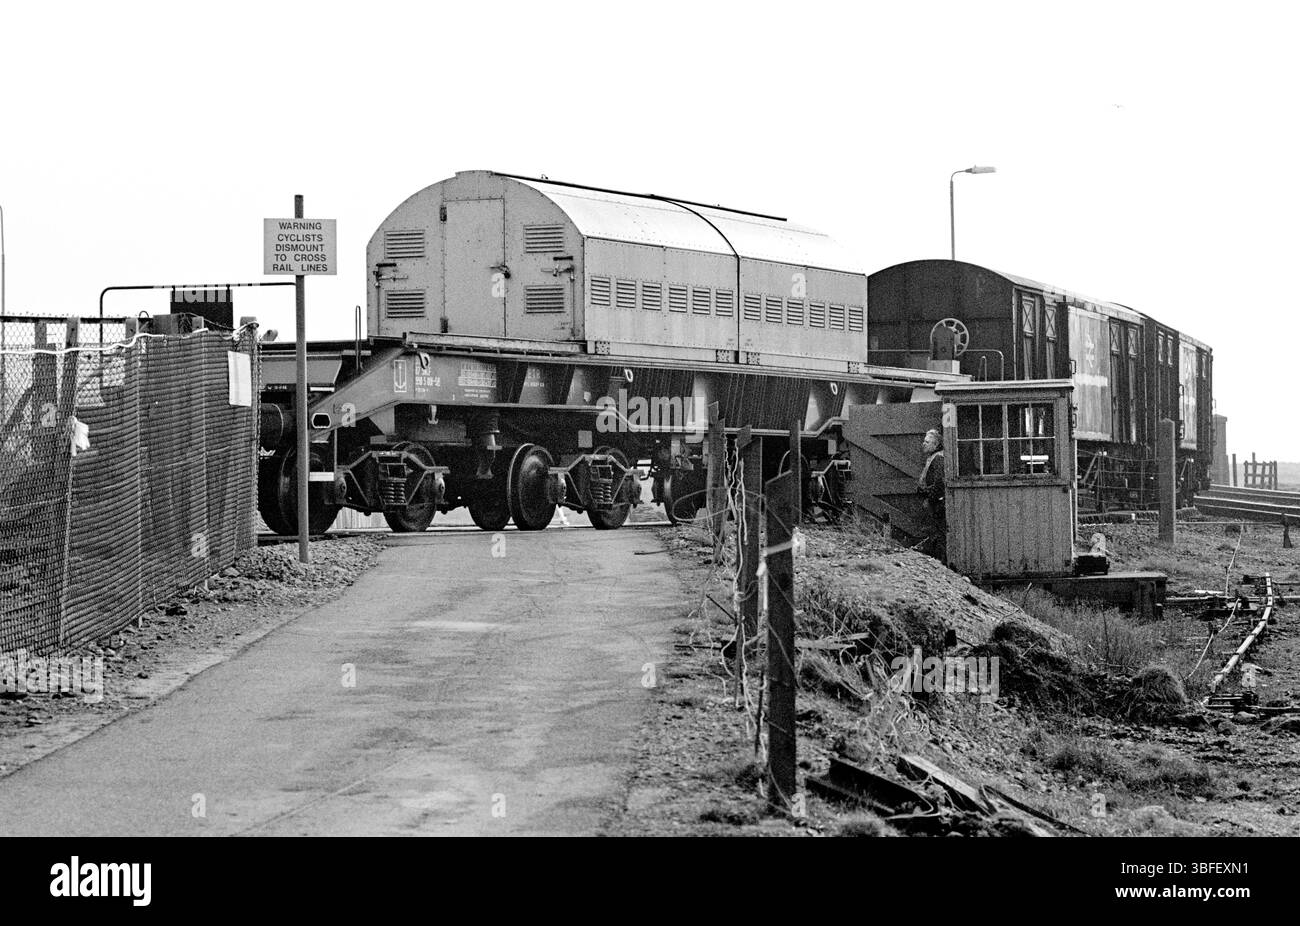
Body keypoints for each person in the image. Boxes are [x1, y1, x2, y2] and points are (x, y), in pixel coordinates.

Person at [917, 429, 946, 561]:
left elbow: (939, 482)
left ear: (935, 445)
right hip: (934, 502)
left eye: (927, 442)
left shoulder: (938, 458)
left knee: (938, 534)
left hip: (936, 504)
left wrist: (930, 498)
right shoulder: (933, 457)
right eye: (924, 441)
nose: (924, 444)